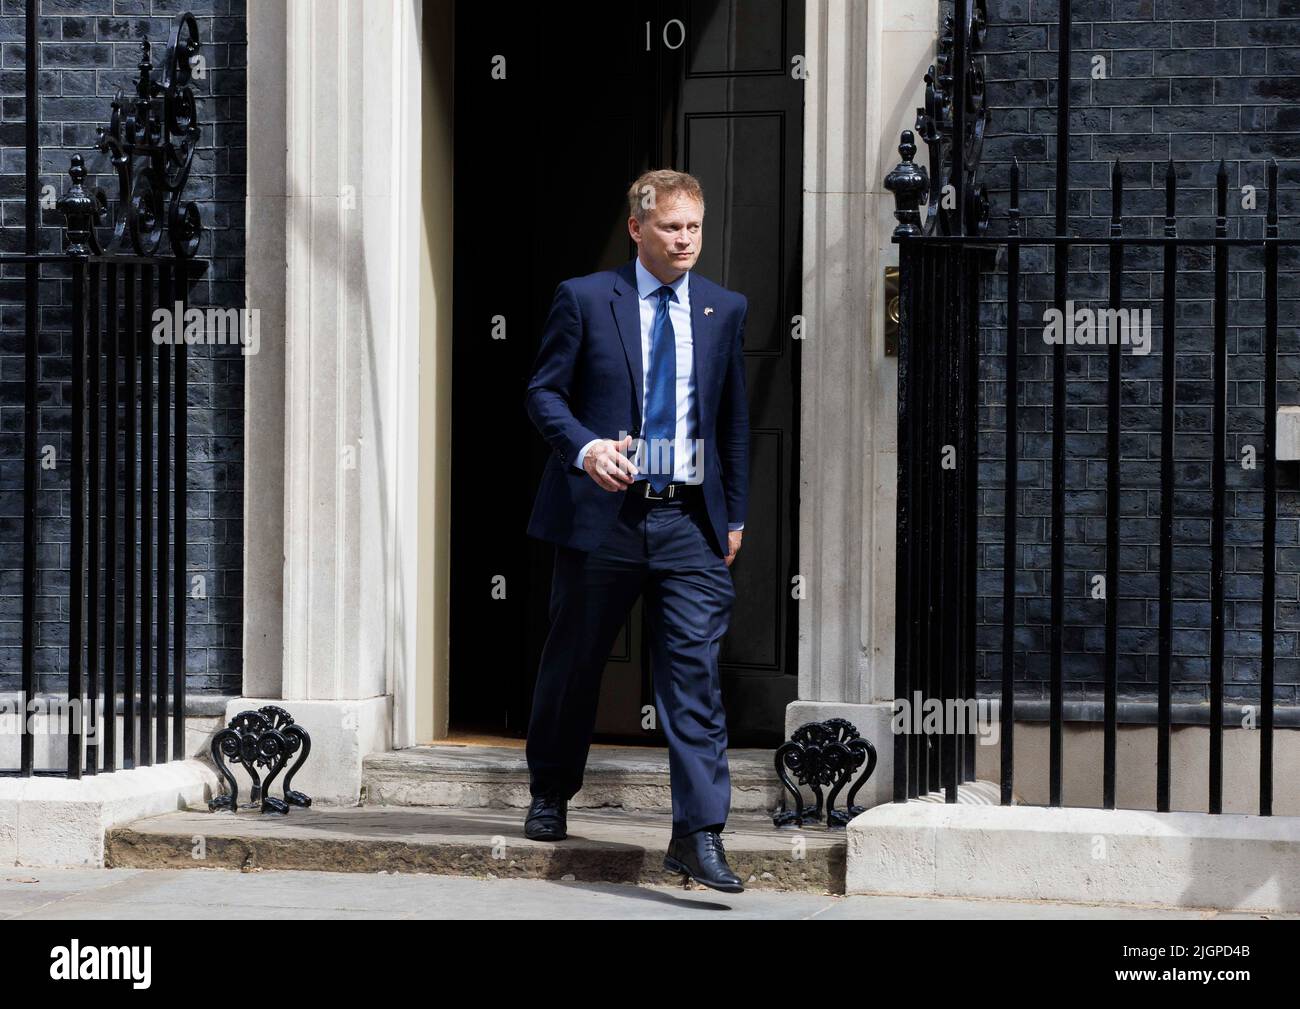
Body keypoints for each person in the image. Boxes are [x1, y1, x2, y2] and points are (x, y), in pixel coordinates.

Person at [522, 168, 750, 892]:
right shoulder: (586, 299)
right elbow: (543, 393)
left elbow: (733, 419)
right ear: (637, 229)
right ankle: (552, 790)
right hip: (602, 517)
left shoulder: (723, 308)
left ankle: (698, 831)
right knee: (575, 660)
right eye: (671, 227)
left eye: (694, 228)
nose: (685, 240)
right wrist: (586, 448)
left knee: (694, 678)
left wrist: (735, 511)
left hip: (687, 520)